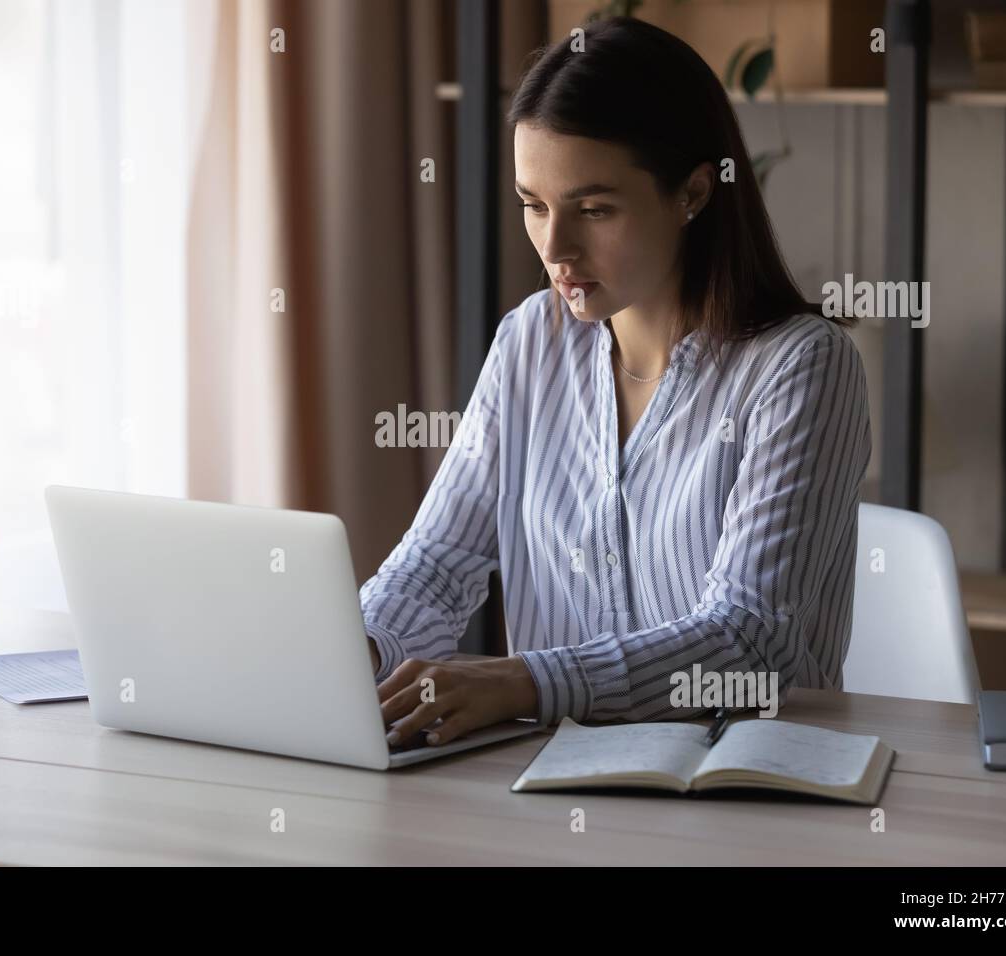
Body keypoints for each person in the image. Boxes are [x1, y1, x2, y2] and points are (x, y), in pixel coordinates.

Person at [362, 16, 870, 748]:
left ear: (694, 192)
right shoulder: (530, 344)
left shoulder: (801, 367)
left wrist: (524, 682)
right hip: (552, 784)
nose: (555, 248)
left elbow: (754, 644)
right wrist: (350, 650)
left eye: (594, 210)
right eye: (534, 205)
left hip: (745, 795)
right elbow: (438, 567)